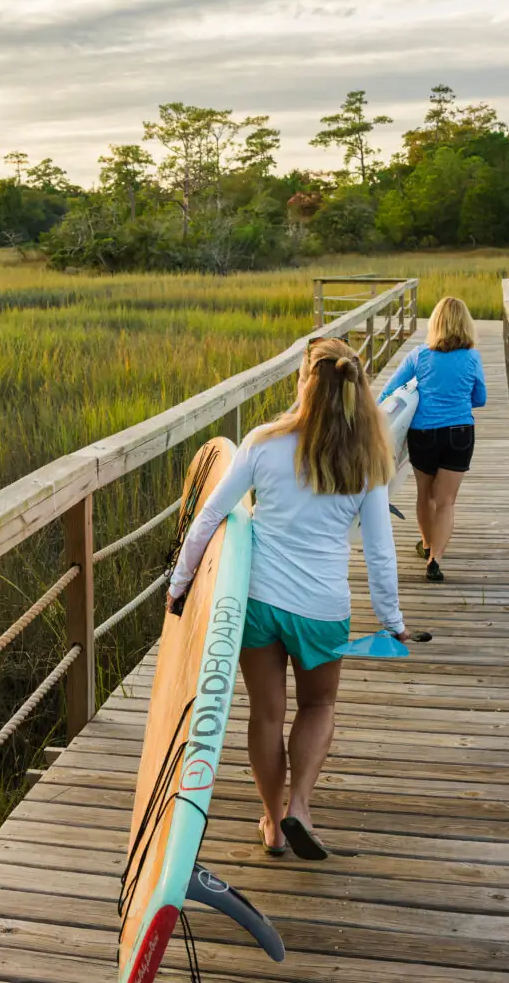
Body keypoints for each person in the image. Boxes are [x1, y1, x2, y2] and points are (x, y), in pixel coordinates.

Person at [167, 337, 408, 861]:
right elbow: (380, 552)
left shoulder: (262, 442)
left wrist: (179, 584)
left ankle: (273, 825)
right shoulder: (367, 459)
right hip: (322, 608)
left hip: (258, 601)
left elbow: (209, 516)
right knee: (318, 704)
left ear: (304, 383)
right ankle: (300, 805)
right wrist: (391, 621)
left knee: (267, 714)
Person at [378, 295, 487, 583]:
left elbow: (388, 392)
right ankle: (434, 560)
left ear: (435, 323)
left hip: (423, 434)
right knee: (446, 502)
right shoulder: (473, 357)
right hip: (459, 434)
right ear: (466, 324)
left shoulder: (418, 355)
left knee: (425, 494)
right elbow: (481, 398)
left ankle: (426, 544)